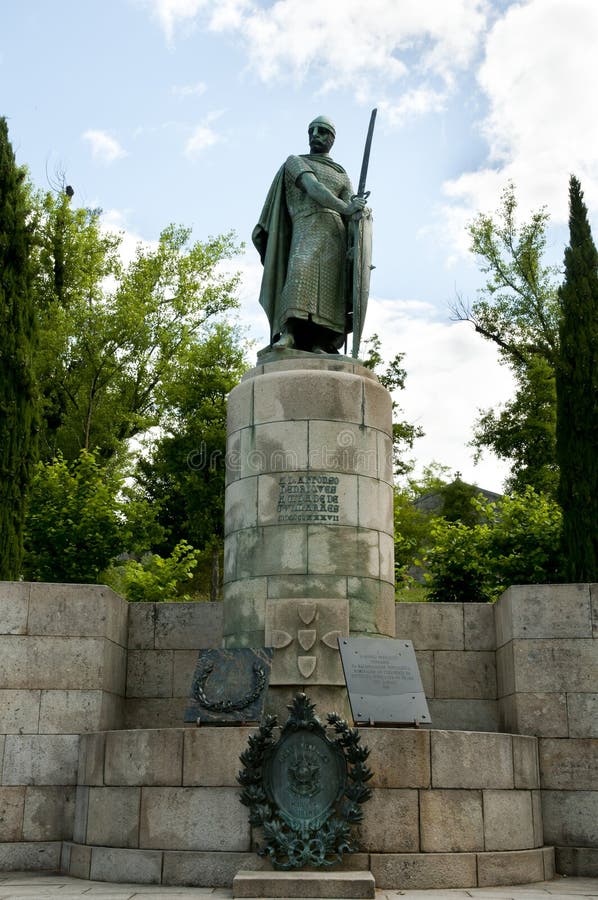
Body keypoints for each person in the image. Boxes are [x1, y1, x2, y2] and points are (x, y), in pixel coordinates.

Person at [252, 116, 366, 354]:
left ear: (332, 139)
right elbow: (314, 188)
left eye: (322, 131)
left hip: (335, 235)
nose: (315, 135)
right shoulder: (295, 162)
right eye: (312, 131)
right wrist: (346, 207)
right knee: (299, 274)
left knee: (332, 291)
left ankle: (320, 342)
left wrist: (359, 218)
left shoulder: (341, 174)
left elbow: (350, 213)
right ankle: (290, 333)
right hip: (306, 226)